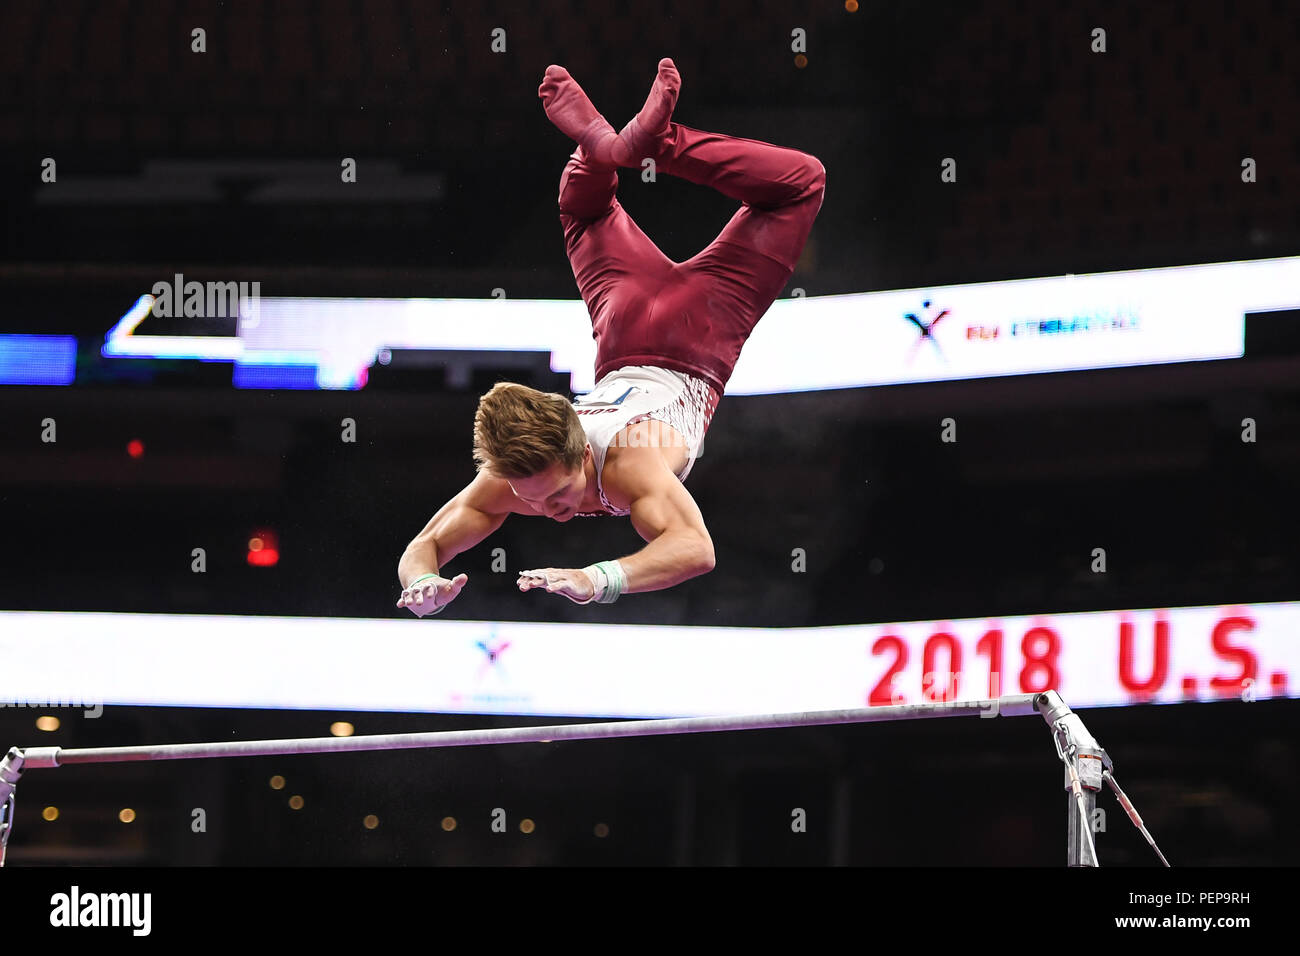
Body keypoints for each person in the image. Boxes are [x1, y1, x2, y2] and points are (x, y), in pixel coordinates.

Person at [397, 58, 825, 616]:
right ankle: (619, 147)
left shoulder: (629, 462)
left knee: (801, 185)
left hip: (699, 330)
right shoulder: (516, 478)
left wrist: (597, 578)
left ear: (580, 445)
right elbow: (424, 545)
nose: (552, 511)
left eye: (557, 495)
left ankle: (641, 144)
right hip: (622, 322)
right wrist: (422, 583)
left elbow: (696, 549)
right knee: (584, 213)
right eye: (533, 500)